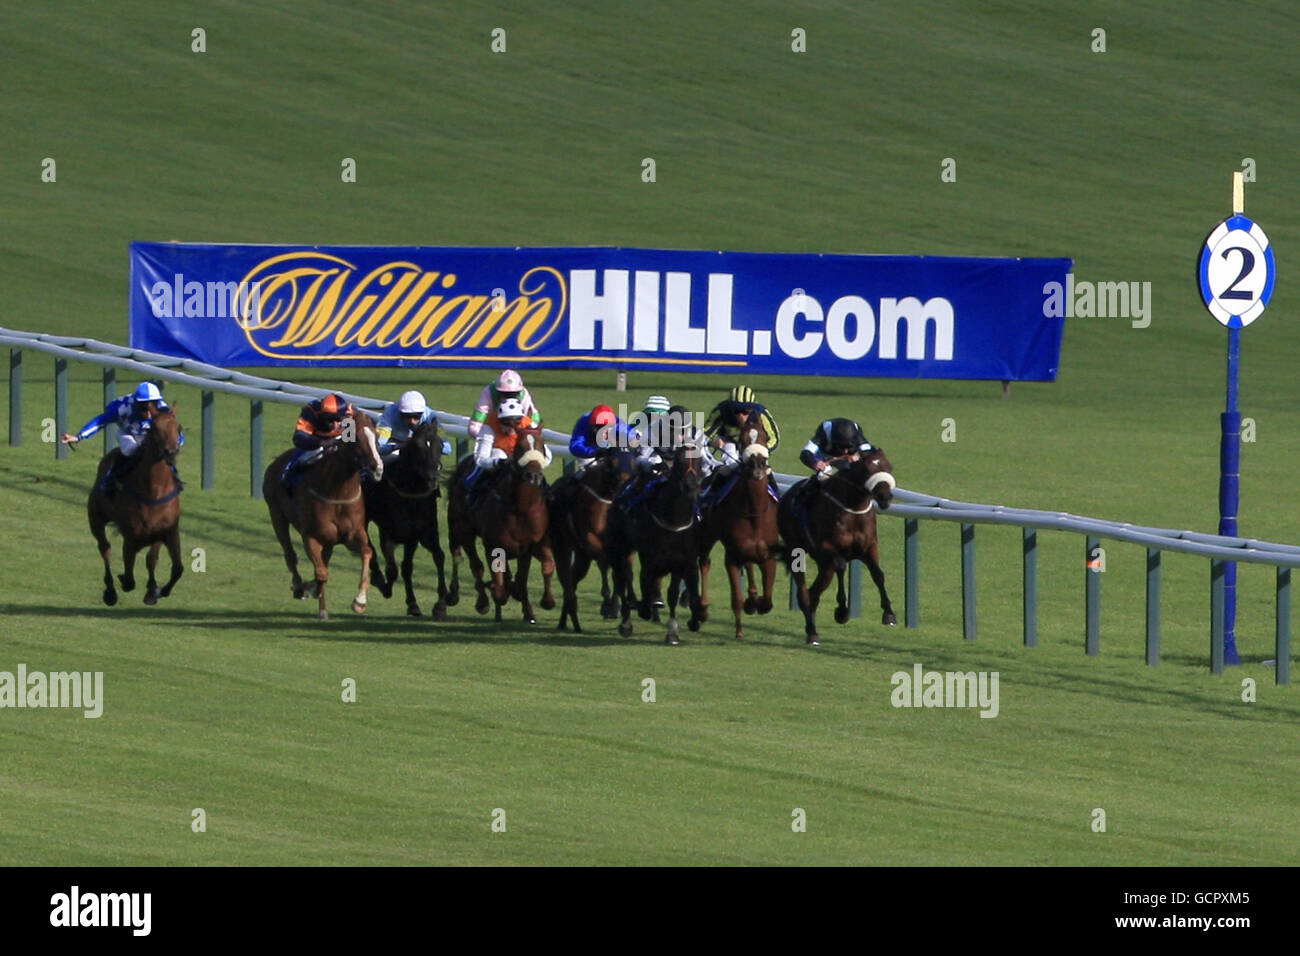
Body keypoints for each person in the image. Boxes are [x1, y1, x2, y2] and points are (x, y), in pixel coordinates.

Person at [61, 381, 182, 495]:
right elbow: (100, 421)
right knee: (132, 450)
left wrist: (177, 441)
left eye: (153, 406)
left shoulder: (163, 409)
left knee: (162, 452)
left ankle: (175, 478)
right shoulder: (122, 408)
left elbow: (172, 430)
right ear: (137, 404)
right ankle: (110, 478)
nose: (149, 413)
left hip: (148, 436)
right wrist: (78, 437)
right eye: (145, 408)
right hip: (129, 434)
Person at [465, 397, 550, 503]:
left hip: (522, 462)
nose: (511, 429)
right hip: (496, 460)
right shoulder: (489, 427)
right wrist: (498, 462)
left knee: (545, 489)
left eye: (516, 424)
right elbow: (481, 459)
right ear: (499, 420)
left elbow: (547, 456)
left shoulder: (530, 425)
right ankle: (472, 496)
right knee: (498, 454)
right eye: (506, 424)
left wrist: (536, 462)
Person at [280, 392, 354, 493]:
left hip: (341, 441)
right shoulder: (311, 411)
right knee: (302, 462)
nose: (335, 424)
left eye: (338, 420)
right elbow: (299, 438)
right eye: (330, 420)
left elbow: (350, 440)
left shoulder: (349, 412)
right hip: (316, 443)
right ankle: (291, 485)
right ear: (322, 415)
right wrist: (322, 443)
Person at [703, 385, 781, 476]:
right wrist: (714, 442)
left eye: (745, 411)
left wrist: (759, 449)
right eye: (736, 411)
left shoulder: (761, 413)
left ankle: (773, 487)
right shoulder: (721, 411)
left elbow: (774, 439)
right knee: (729, 448)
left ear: (752, 409)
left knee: (763, 469)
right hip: (729, 444)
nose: (741, 416)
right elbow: (704, 434)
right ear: (730, 408)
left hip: (754, 449)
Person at [375, 389, 450, 469]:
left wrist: (425, 443)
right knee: (387, 460)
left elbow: (447, 448)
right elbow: (379, 447)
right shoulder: (390, 414)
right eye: (406, 416)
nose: (412, 421)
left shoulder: (431, 416)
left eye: (416, 416)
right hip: (395, 445)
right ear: (400, 412)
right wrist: (399, 446)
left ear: (422, 413)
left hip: (421, 448)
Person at [467, 369, 542, 438]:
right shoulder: (489, 392)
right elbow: (474, 426)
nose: (509, 398)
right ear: (498, 391)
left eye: (513, 394)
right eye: (505, 394)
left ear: (519, 392)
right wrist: (492, 438)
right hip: (492, 434)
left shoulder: (524, 394)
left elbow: (534, 422)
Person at [569, 404, 635, 472]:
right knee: (591, 470)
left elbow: (635, 438)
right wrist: (593, 452)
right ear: (593, 426)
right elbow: (575, 445)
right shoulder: (584, 423)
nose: (603, 433)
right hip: (590, 449)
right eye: (599, 428)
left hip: (611, 450)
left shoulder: (619, 425)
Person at [800, 417, 876, 474]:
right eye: (841, 447)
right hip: (824, 456)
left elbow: (871, 455)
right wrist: (815, 463)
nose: (845, 451)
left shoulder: (857, 435)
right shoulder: (824, 432)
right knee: (823, 475)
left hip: (844, 459)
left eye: (849, 447)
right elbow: (805, 453)